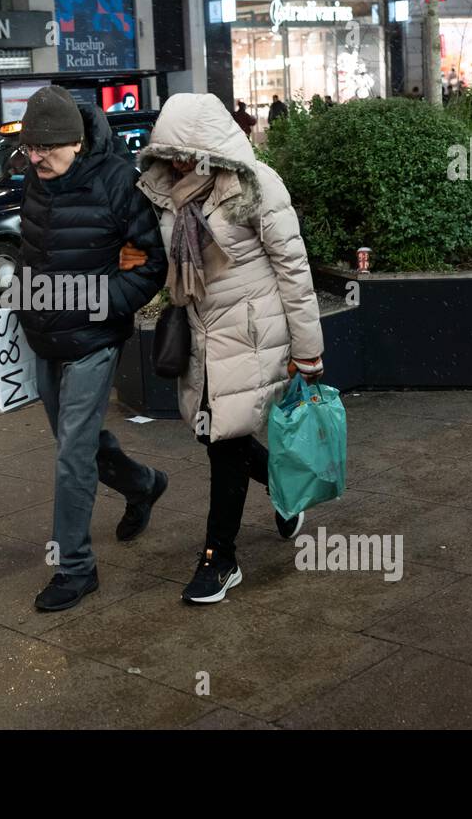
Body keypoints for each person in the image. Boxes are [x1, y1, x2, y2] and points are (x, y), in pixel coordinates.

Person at [132, 93, 324, 604]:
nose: (174, 162)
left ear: (208, 147)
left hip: (251, 334)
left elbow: (293, 270)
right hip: (200, 335)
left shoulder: (256, 187)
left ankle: (221, 559)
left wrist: (308, 349)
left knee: (225, 446)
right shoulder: (168, 193)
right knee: (213, 436)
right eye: (166, 152)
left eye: (182, 151)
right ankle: (286, 494)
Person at [13, 86, 169, 613]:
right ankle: (143, 483)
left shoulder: (120, 182)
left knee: (71, 455)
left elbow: (151, 264)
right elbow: (33, 248)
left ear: (74, 143)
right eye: (29, 151)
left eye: (44, 151)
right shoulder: (35, 178)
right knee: (75, 441)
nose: (35, 160)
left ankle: (75, 568)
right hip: (43, 334)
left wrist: (103, 302)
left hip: (93, 339)